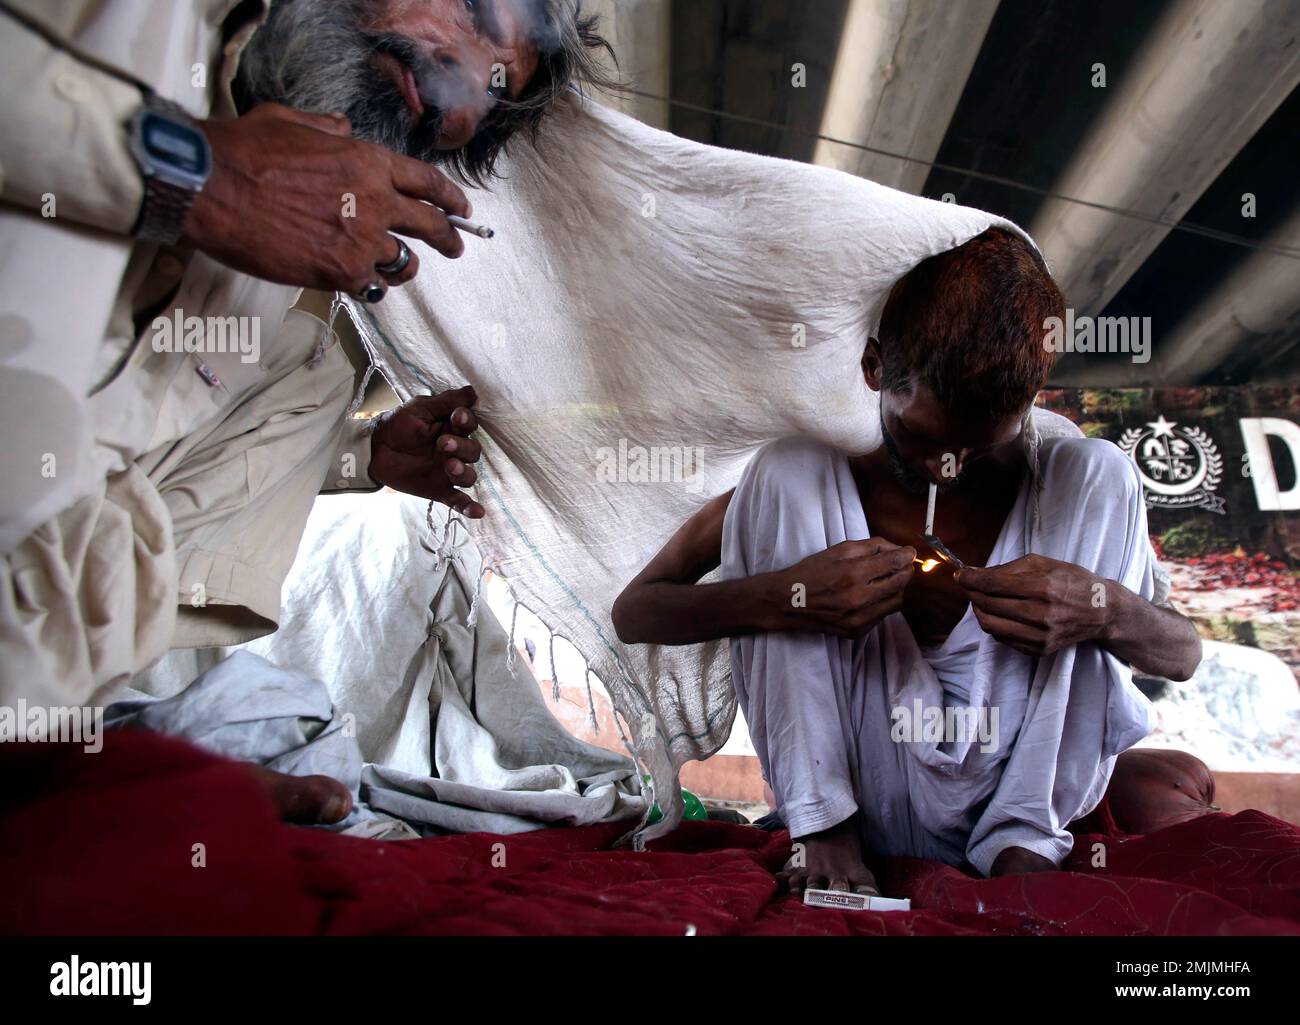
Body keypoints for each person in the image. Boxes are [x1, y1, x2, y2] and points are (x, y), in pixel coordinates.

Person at [0, 0, 612, 820]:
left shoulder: (283, 298)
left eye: (488, 96)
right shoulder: (159, 24)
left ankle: (56, 745)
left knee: (313, 374)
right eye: (471, 12)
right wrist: (195, 175)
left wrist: (365, 455)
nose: (456, 100)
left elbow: (131, 426)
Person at [612, 228, 1202, 891]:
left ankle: (1025, 841)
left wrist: (1099, 608)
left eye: (977, 448)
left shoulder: (1062, 483)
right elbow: (636, 612)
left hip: (1015, 811)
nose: (942, 470)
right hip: (857, 808)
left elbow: (1181, 656)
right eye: (919, 437)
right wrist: (789, 593)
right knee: (785, 466)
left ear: (1024, 409)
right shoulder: (820, 481)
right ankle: (824, 832)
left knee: (1101, 469)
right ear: (873, 368)